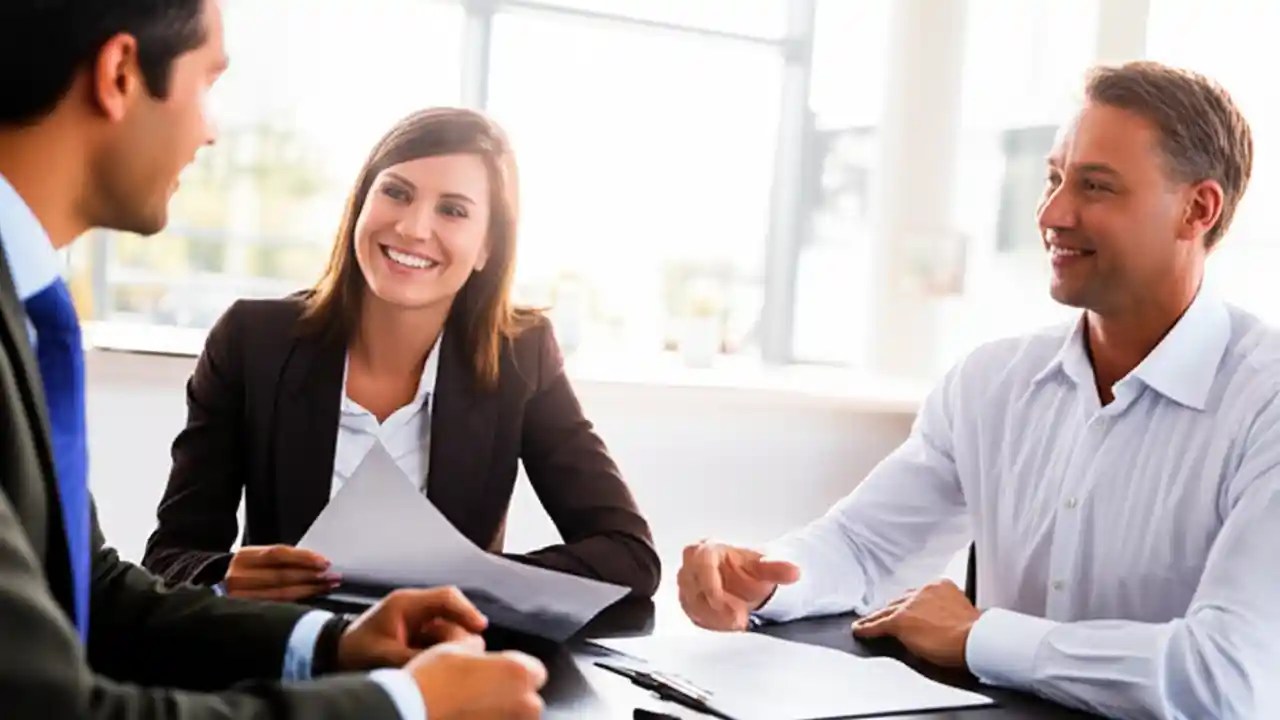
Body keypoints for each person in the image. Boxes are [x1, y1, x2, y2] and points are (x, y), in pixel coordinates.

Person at [678, 61, 1280, 719]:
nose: (1052, 213)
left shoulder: (1265, 402)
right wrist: (761, 578)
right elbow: (863, 545)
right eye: (1053, 179)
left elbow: (1228, 677)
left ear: (1197, 209)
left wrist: (979, 636)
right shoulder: (991, 382)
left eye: (1096, 186)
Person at [0, 1, 546, 718]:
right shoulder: (249, 338)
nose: (211, 130)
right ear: (121, 73)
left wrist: (331, 644)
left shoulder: (20, 305)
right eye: (208, 81)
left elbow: (95, 595)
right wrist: (405, 704)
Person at [139, 106, 660, 602]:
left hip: (439, 655)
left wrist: (469, 579)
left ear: (487, 247)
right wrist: (226, 577)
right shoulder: (252, 342)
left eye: (453, 210)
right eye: (396, 192)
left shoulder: (520, 356)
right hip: (291, 651)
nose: (412, 228)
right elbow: (170, 558)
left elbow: (629, 556)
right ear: (361, 204)